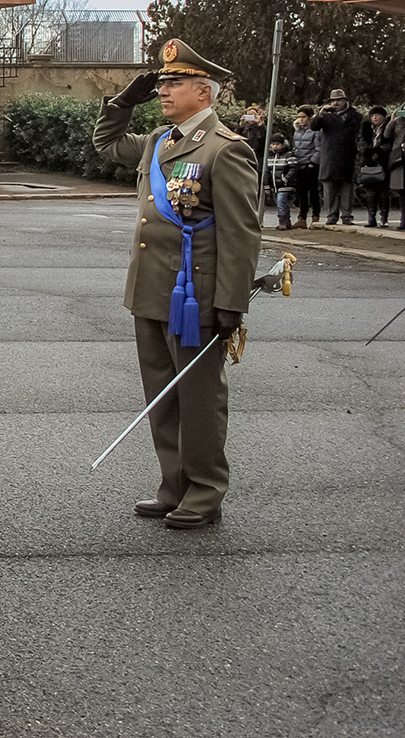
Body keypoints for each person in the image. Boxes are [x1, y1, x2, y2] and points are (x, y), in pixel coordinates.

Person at [93, 38, 259, 530]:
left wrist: (231, 302)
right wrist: (121, 103)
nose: (163, 91)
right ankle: (174, 486)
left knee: (200, 398)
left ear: (203, 92)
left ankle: (205, 492)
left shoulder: (225, 149)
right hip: (151, 290)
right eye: (162, 83)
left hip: (195, 296)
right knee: (162, 396)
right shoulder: (158, 142)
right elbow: (106, 145)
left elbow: (241, 233)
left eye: (175, 83)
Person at [314, 89, 361, 225]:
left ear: (345, 101)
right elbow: (314, 127)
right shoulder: (326, 116)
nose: (336, 103)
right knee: (329, 189)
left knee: (347, 189)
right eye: (333, 100)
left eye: (339, 100)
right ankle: (331, 216)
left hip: (348, 156)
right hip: (329, 157)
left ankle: (347, 216)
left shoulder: (355, 116)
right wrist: (320, 114)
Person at [358, 107, 393, 228]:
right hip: (368, 163)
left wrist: (379, 152)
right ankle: (371, 217)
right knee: (370, 193)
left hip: (383, 163)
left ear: (383, 117)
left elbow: (389, 143)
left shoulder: (388, 128)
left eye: (377, 115)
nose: (374, 117)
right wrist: (367, 151)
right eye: (372, 115)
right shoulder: (366, 129)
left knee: (384, 193)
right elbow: (360, 142)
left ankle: (384, 218)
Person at [290, 106, 321, 227]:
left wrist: (313, 163)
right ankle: (302, 217)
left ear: (310, 117)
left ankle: (315, 216)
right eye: (299, 117)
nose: (301, 119)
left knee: (313, 191)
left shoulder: (315, 131)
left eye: (303, 117)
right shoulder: (297, 130)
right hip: (299, 163)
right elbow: (296, 146)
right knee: (301, 193)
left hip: (310, 164)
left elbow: (318, 148)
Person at [265, 133, 295, 231]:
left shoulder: (288, 155)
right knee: (282, 203)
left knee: (281, 202)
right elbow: (267, 171)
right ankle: (287, 221)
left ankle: (282, 221)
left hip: (284, 184)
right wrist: (266, 184)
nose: (275, 146)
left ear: (282, 144)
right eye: (273, 144)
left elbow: (293, 168)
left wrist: (285, 178)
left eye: (277, 144)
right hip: (274, 184)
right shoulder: (270, 156)